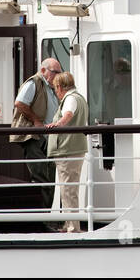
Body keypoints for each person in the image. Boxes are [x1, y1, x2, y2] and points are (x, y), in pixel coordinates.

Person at [11, 58, 63, 192]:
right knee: (42, 176)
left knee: (49, 175)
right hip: (34, 136)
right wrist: (36, 121)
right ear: (43, 70)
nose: (58, 76)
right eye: (55, 72)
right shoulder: (34, 83)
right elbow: (20, 103)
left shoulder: (51, 87)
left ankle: (49, 209)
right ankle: (42, 210)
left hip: (46, 137)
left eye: (60, 72)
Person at [48, 72, 89, 233]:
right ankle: (69, 224)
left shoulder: (70, 98)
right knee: (68, 189)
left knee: (68, 190)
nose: (56, 93)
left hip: (68, 150)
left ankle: (72, 227)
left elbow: (68, 114)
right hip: (73, 148)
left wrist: (57, 124)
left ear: (59, 87)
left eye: (55, 89)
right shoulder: (79, 97)